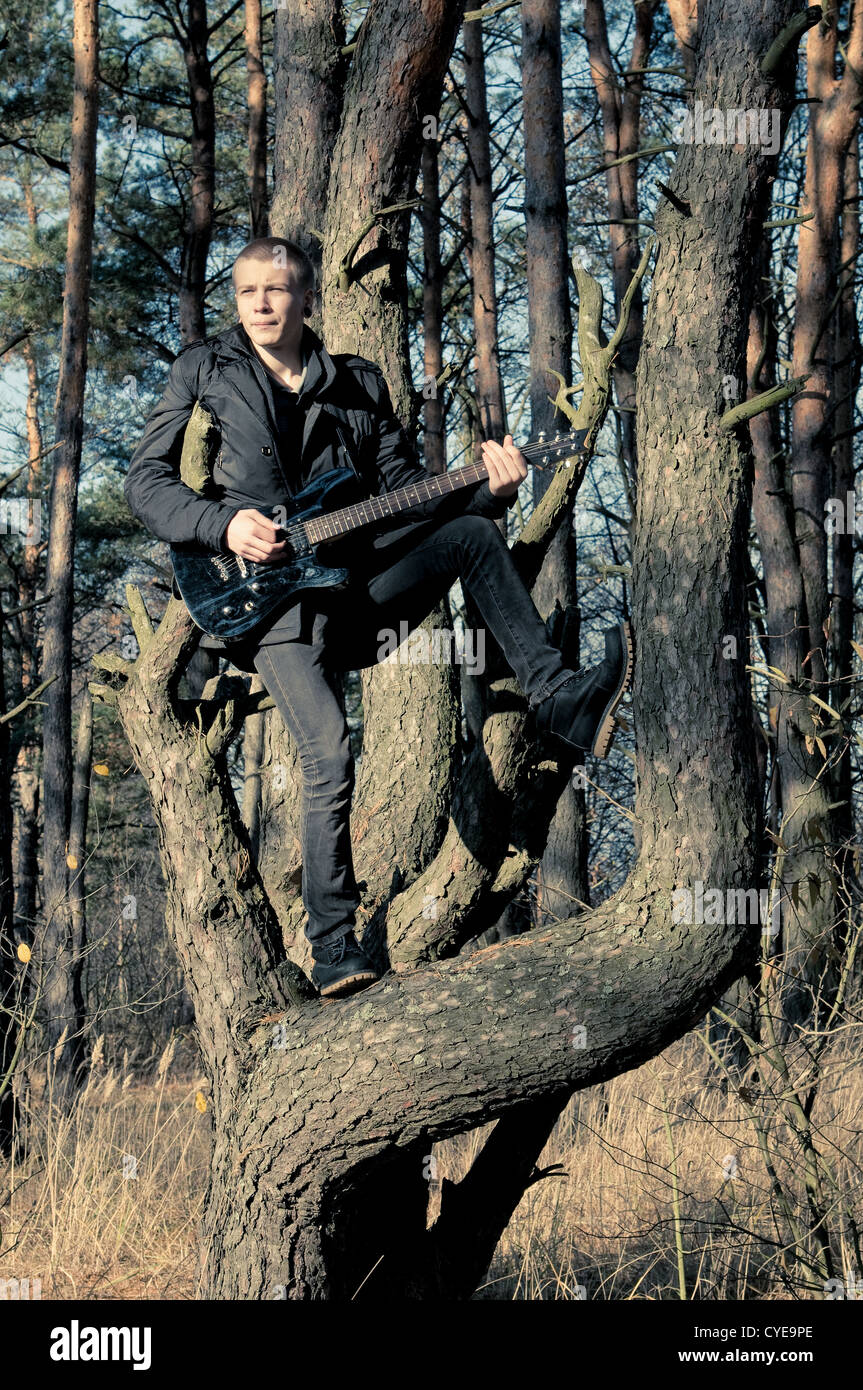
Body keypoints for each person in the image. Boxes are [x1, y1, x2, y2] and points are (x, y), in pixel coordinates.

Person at [124, 236, 631, 998]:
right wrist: (219, 526)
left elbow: (408, 493)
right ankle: (333, 947)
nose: (259, 304)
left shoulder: (356, 383)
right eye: (246, 292)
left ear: (306, 298)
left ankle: (559, 696)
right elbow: (145, 483)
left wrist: (490, 488)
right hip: (263, 601)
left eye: (276, 290)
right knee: (328, 751)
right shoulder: (205, 369)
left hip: (353, 591)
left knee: (468, 534)